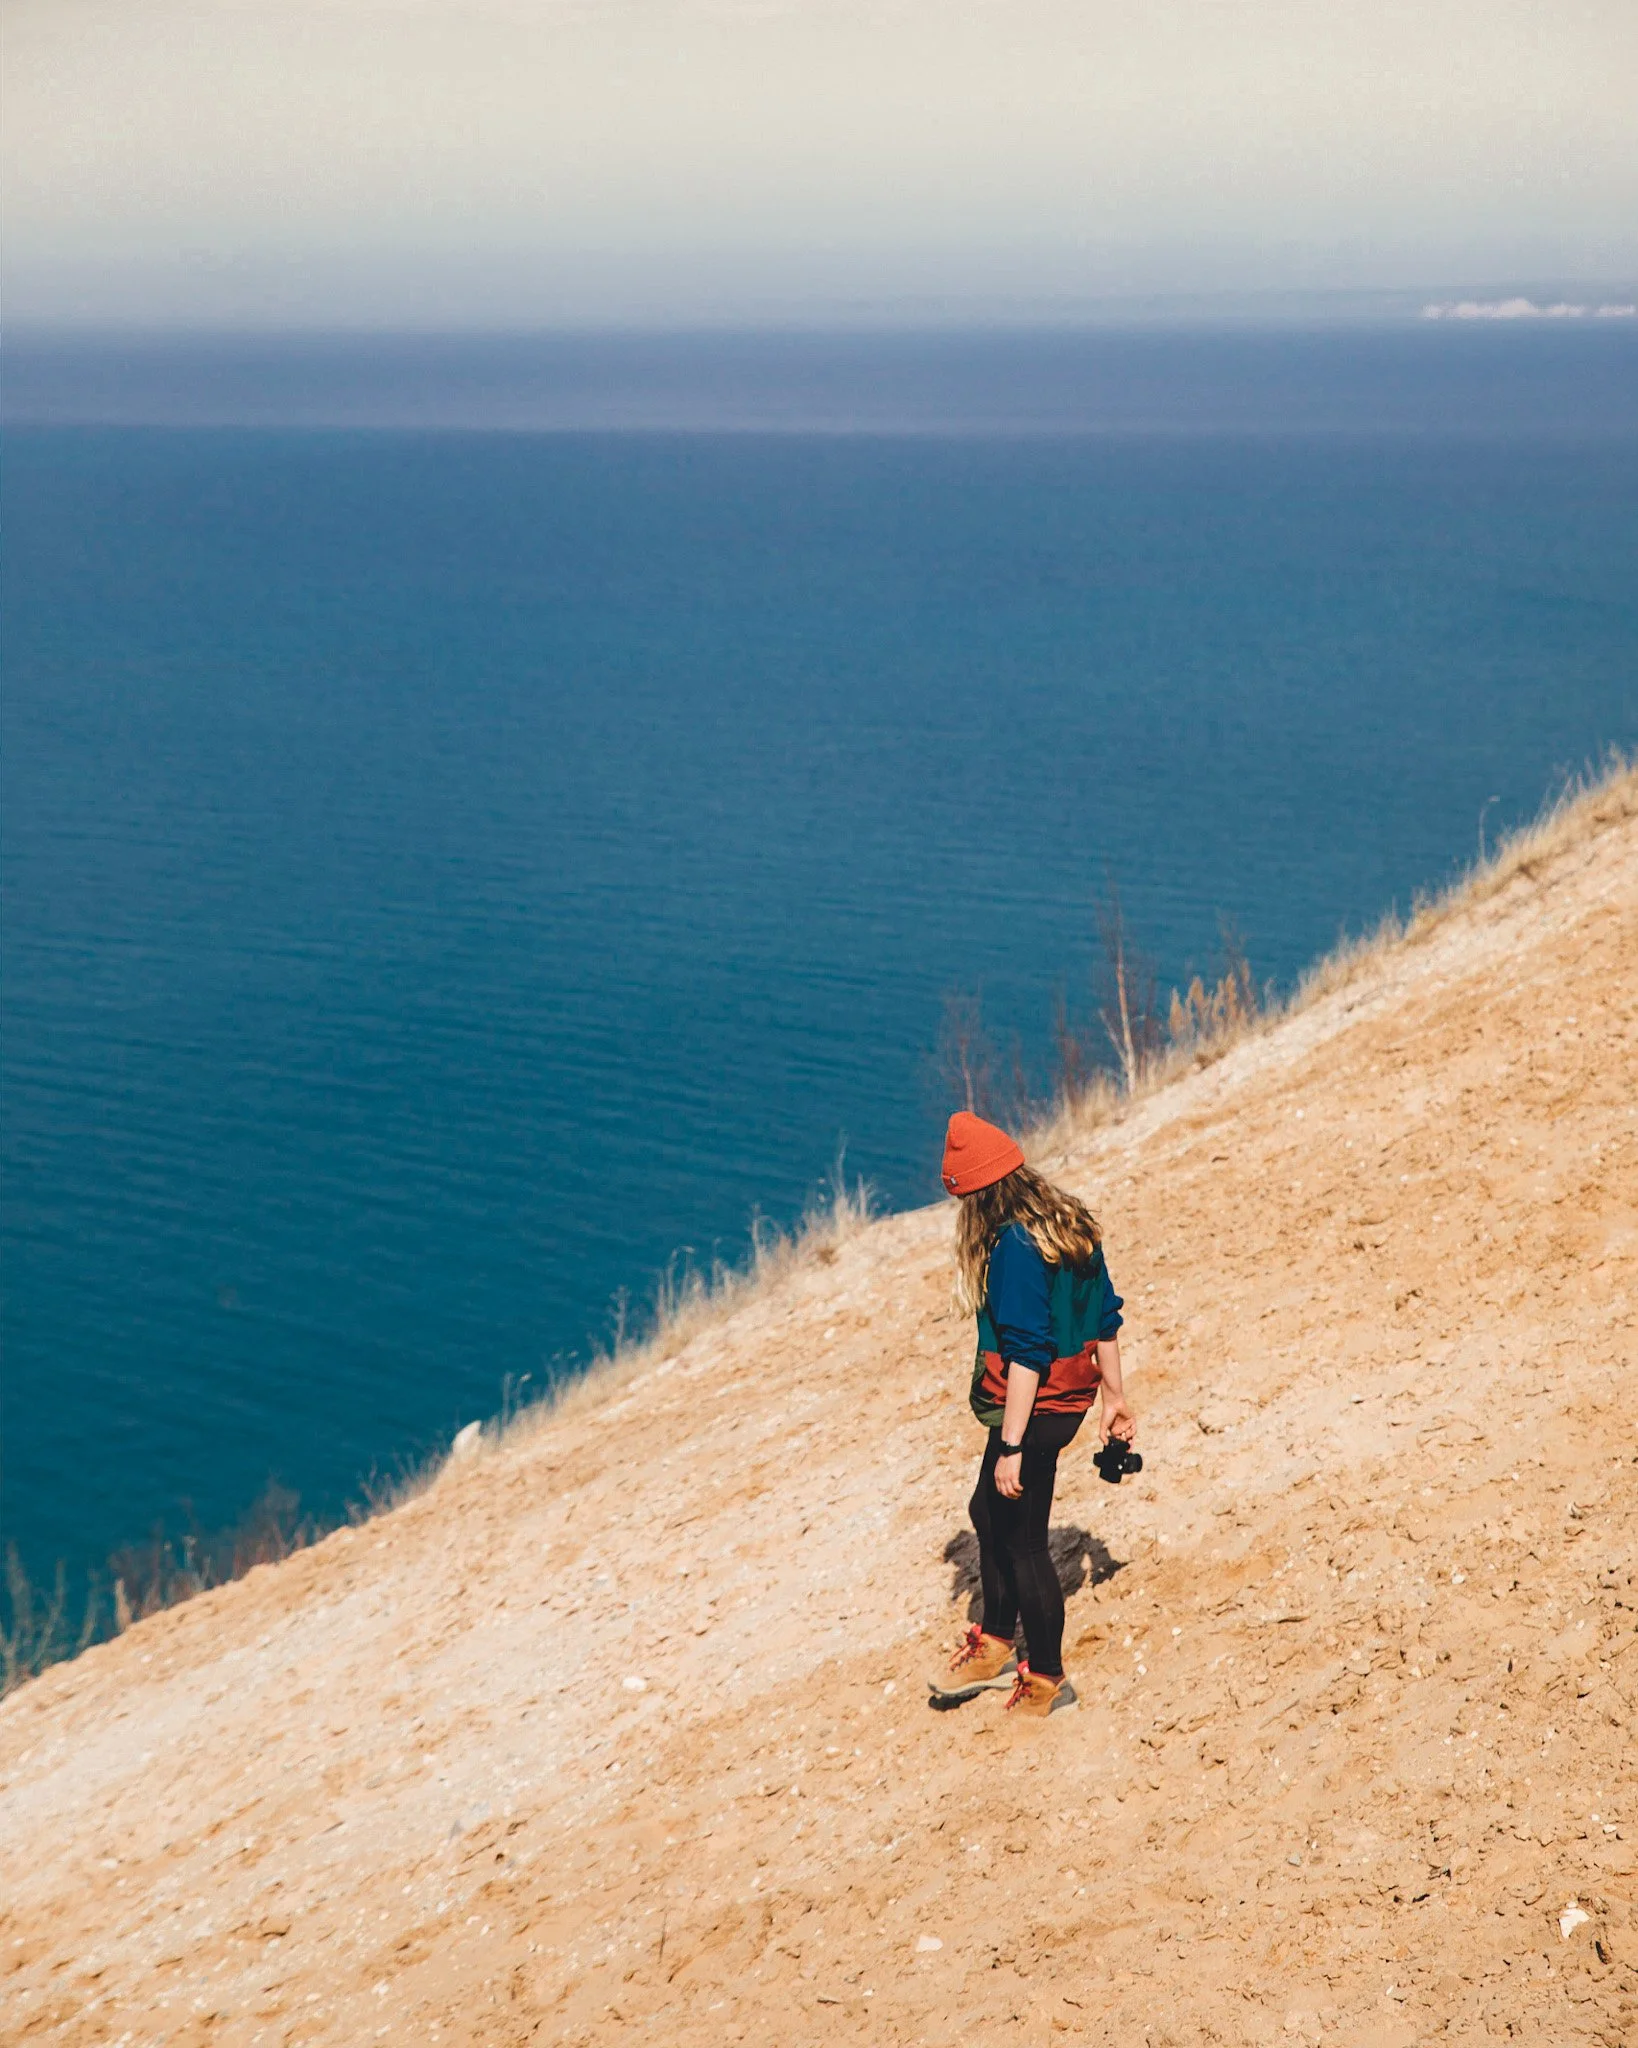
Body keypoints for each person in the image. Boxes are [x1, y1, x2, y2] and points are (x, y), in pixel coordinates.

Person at [931, 1110, 1135, 1718]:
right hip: (1067, 1397)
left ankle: (1046, 1679)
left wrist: (1012, 1446)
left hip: (1035, 1408)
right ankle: (996, 1643)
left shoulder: (1016, 1249)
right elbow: (1105, 1318)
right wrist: (1115, 1399)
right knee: (986, 1512)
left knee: (1023, 1542)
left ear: (978, 1195)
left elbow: (1026, 1353)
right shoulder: (1067, 1222)